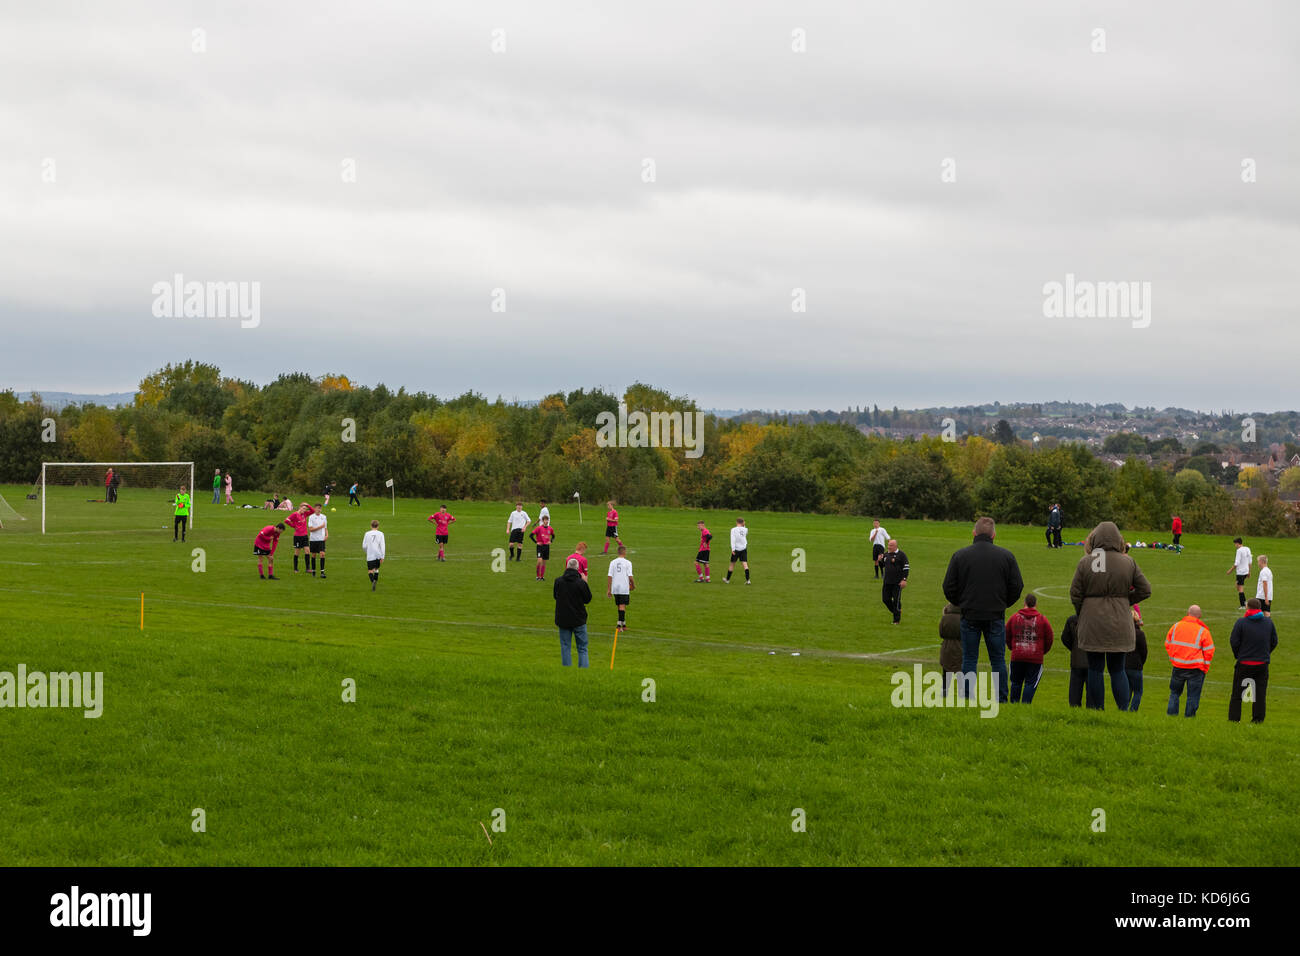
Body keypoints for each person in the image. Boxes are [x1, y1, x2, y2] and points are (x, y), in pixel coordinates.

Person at [1071, 521, 1151, 710]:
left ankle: (1097, 709)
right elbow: (1145, 590)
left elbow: (1075, 593)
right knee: (1117, 669)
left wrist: (1083, 611)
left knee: (1095, 668)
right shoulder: (1127, 561)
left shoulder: (1086, 561)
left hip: (1092, 621)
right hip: (1120, 621)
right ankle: (1122, 710)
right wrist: (1125, 601)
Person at [942, 516, 1023, 703]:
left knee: (969, 658)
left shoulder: (960, 555)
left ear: (974, 533)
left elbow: (948, 587)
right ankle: (1001, 698)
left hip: (969, 614)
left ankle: (968, 698)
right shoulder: (1006, 556)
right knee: (998, 660)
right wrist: (1002, 603)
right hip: (995, 614)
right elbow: (1017, 586)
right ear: (994, 534)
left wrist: (962, 602)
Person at [1228, 598, 1278, 723]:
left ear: (1248, 608)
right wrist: (1265, 653)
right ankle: (1258, 720)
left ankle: (1234, 720)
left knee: (1237, 694)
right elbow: (1274, 641)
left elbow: (1234, 641)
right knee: (1260, 694)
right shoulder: (1268, 623)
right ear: (1259, 608)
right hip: (1262, 664)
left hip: (1244, 663)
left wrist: (1238, 655)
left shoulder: (1241, 622)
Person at [1165, 605, 1214, 717]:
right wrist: (1205, 668)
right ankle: (1189, 717)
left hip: (1178, 666)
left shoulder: (1176, 626)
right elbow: (1209, 651)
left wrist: (1174, 658)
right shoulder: (1203, 631)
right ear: (1200, 616)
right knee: (1192, 695)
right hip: (1195, 668)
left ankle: (1171, 716)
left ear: (1187, 613)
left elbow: (1167, 643)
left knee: (1174, 693)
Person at [1006, 593, 1054, 703]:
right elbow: (1049, 638)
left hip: (1017, 656)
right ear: (1036, 604)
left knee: (1016, 682)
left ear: (1024, 603)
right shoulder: (1042, 619)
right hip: (1035, 658)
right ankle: (1025, 706)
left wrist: (1012, 648)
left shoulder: (1014, 618)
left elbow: (1007, 634)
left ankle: (1014, 705)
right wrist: (1042, 651)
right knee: (1030, 683)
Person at [554, 558, 593, 667]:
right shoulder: (581, 583)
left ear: (567, 567)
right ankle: (584, 672)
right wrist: (585, 583)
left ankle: (567, 670)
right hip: (578, 618)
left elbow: (555, 596)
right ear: (577, 568)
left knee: (565, 646)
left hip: (563, 618)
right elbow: (588, 599)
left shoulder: (558, 581)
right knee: (582, 648)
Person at [1060, 613, 1092, 708]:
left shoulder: (1072, 619)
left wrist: (1073, 648)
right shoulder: (1095, 619)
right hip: (1092, 660)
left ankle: (1074, 711)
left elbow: (1065, 638)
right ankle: (1091, 711)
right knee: (1092, 691)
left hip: (1076, 660)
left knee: (1075, 690)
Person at [880, 539, 909, 624]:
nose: (889, 547)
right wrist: (880, 560)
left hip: (897, 583)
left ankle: (896, 620)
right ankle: (896, 612)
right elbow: (883, 566)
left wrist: (904, 580)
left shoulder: (901, 555)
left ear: (896, 546)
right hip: (887, 582)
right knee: (885, 599)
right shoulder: (886, 555)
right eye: (888, 545)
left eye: (891, 545)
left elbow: (906, 568)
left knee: (896, 600)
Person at [607, 544, 635, 632]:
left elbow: (609, 576)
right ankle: (619, 626)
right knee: (622, 605)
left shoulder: (612, 562)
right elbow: (630, 576)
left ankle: (624, 624)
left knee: (620, 605)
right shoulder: (628, 563)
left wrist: (609, 589)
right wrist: (633, 585)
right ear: (625, 552)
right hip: (624, 587)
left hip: (615, 587)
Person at [1125, 606, 1148, 711]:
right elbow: (1144, 651)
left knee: (1127, 689)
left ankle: (1123, 709)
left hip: (1123, 665)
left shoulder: (1123, 632)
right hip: (1136, 666)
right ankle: (1133, 710)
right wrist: (1141, 663)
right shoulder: (1140, 634)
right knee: (1138, 691)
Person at [939, 603, 962, 698]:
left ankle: (944, 691)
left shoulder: (945, 618)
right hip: (961, 647)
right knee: (961, 672)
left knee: (946, 671)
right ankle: (963, 692)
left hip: (946, 647)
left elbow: (941, 633)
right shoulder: (963, 618)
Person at [284, 503, 312, 573]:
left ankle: (308, 569)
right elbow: (286, 520)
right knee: (297, 553)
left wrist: (307, 505)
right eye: (303, 508)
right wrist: (293, 526)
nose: (304, 510)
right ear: (300, 508)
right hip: (297, 536)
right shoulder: (294, 514)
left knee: (307, 551)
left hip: (305, 536)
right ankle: (295, 569)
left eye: (305, 509)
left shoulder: (305, 514)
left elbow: (313, 511)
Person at [529, 515, 557, 581]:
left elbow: (553, 536)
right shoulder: (538, 528)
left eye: (547, 520)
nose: (546, 521)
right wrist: (536, 542)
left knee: (544, 562)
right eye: (545, 520)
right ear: (542, 521)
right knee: (539, 561)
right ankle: (537, 576)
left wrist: (551, 541)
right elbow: (531, 535)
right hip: (540, 547)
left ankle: (542, 577)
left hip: (546, 547)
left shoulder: (550, 528)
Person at [724, 517, 750, 584]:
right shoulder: (745, 529)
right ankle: (748, 580)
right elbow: (745, 532)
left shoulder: (733, 530)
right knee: (745, 564)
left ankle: (727, 579)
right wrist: (744, 525)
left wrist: (733, 549)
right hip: (743, 548)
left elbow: (732, 540)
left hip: (736, 549)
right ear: (743, 523)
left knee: (732, 564)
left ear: (737, 522)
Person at [1228, 537, 1252, 610]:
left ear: (1237, 543)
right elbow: (1250, 561)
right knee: (1237, 586)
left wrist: (1230, 570)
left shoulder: (1239, 551)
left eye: (1235, 544)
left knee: (1240, 588)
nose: (1235, 545)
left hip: (1240, 572)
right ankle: (1244, 602)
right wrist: (1249, 571)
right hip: (1245, 571)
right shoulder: (1247, 549)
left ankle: (1243, 605)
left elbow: (1237, 563)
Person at [363, 519, 386, 590]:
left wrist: (366, 552)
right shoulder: (381, 534)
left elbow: (364, 546)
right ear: (378, 526)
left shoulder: (367, 534)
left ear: (371, 526)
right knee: (376, 569)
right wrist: (382, 556)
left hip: (370, 555)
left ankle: (373, 581)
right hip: (378, 555)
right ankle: (375, 581)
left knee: (370, 571)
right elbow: (383, 546)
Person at [307, 503, 328, 578]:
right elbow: (311, 529)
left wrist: (327, 535)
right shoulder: (311, 517)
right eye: (317, 508)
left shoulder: (324, 517)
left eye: (320, 508)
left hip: (321, 539)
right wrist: (320, 527)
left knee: (322, 554)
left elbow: (325, 528)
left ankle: (322, 572)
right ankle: (314, 571)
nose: (318, 509)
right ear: (314, 508)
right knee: (314, 555)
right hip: (313, 539)